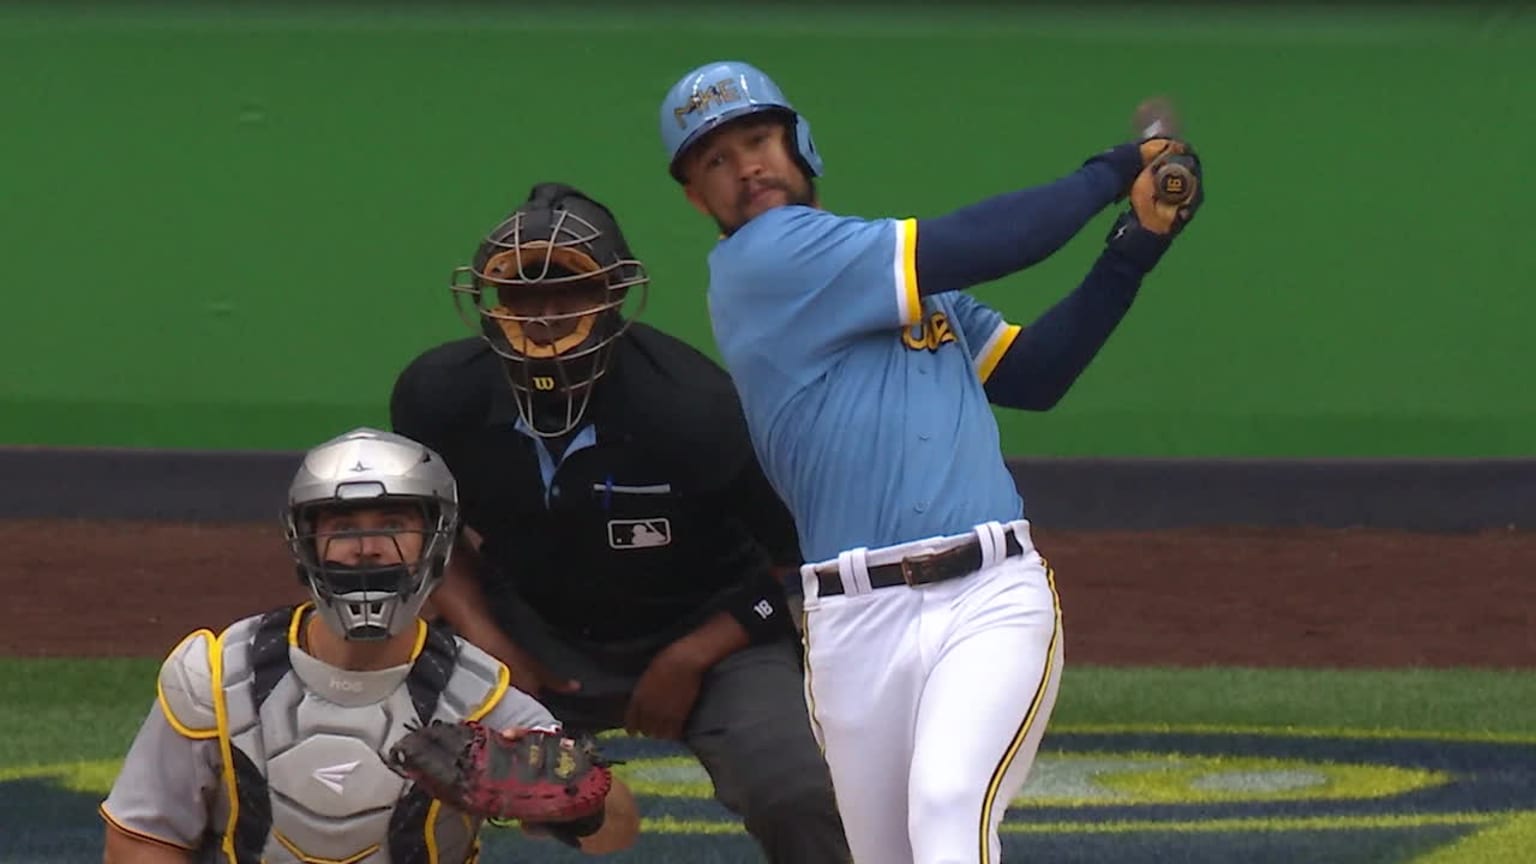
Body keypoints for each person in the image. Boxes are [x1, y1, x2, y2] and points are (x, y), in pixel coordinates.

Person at [657, 60, 1205, 864]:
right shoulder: (766, 264)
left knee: (949, 812)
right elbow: (992, 242)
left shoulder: (889, 271)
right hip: (851, 624)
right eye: (716, 159)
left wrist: (1135, 248)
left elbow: (1034, 374)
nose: (746, 167)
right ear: (695, 196)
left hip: (986, 596)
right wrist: (1117, 168)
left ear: (798, 143)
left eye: (759, 140)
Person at [389, 182, 850, 862]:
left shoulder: (695, 407)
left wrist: (692, 656)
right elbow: (427, 532)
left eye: (567, 292)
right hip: (531, 632)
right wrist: (491, 641)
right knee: (386, 755)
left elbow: (798, 561)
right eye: (522, 294)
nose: (543, 316)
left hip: (710, 631)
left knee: (799, 793)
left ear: (611, 297)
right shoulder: (439, 395)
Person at [98, 427, 639, 863]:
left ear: (435, 541)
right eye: (343, 525)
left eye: (393, 524)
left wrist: (578, 799)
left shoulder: (481, 697)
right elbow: (142, 839)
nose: (367, 548)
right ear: (305, 542)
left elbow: (616, 831)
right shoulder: (216, 676)